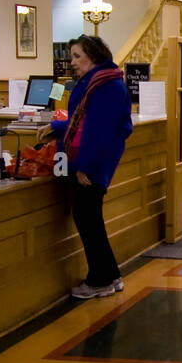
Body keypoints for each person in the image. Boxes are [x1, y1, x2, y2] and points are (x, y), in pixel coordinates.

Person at [37, 35, 133, 299]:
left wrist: (83, 167)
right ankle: (110, 274)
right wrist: (56, 127)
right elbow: (81, 120)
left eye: (78, 56)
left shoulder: (106, 86)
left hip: (92, 163)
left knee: (87, 219)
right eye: (72, 56)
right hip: (88, 160)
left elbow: (97, 132)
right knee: (90, 219)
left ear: (94, 56)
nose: (73, 62)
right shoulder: (97, 82)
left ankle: (99, 280)